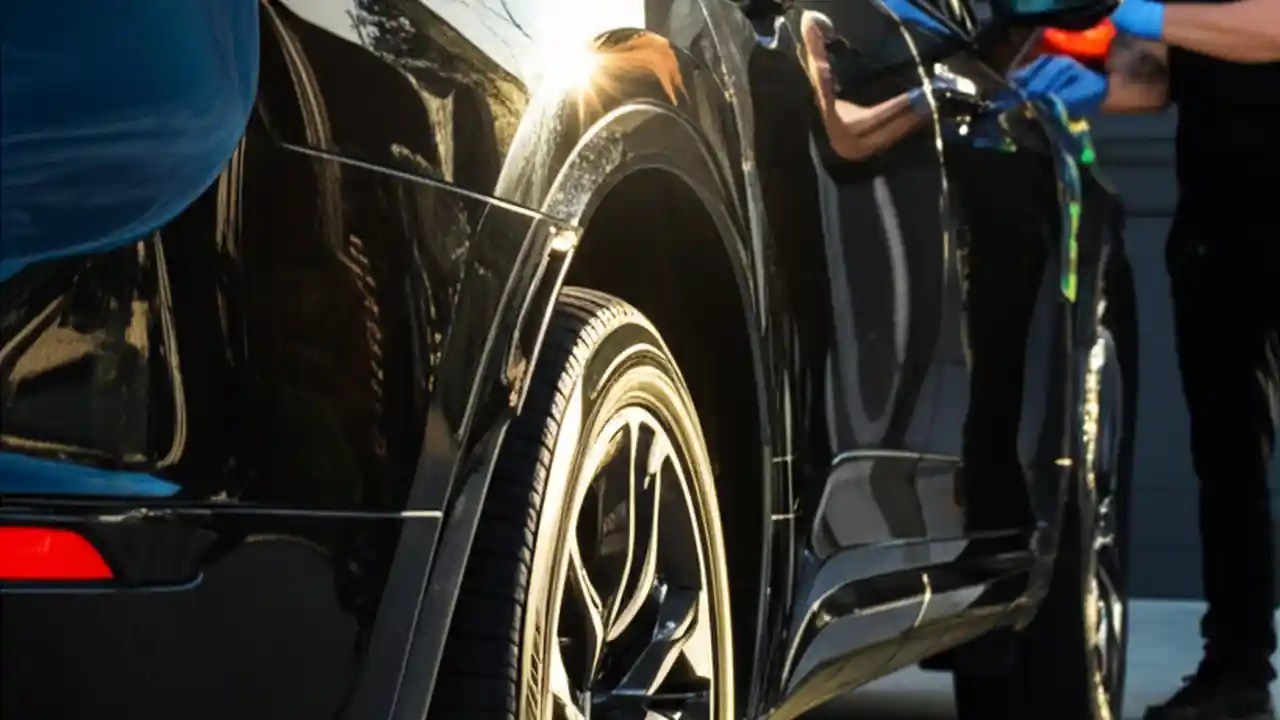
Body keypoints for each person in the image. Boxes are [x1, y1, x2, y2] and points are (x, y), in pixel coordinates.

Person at [1012, 1, 1280, 718]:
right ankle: (1237, 672)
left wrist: (1136, 8)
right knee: (1228, 457)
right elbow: (1153, 80)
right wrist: (1081, 85)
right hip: (1219, 224)